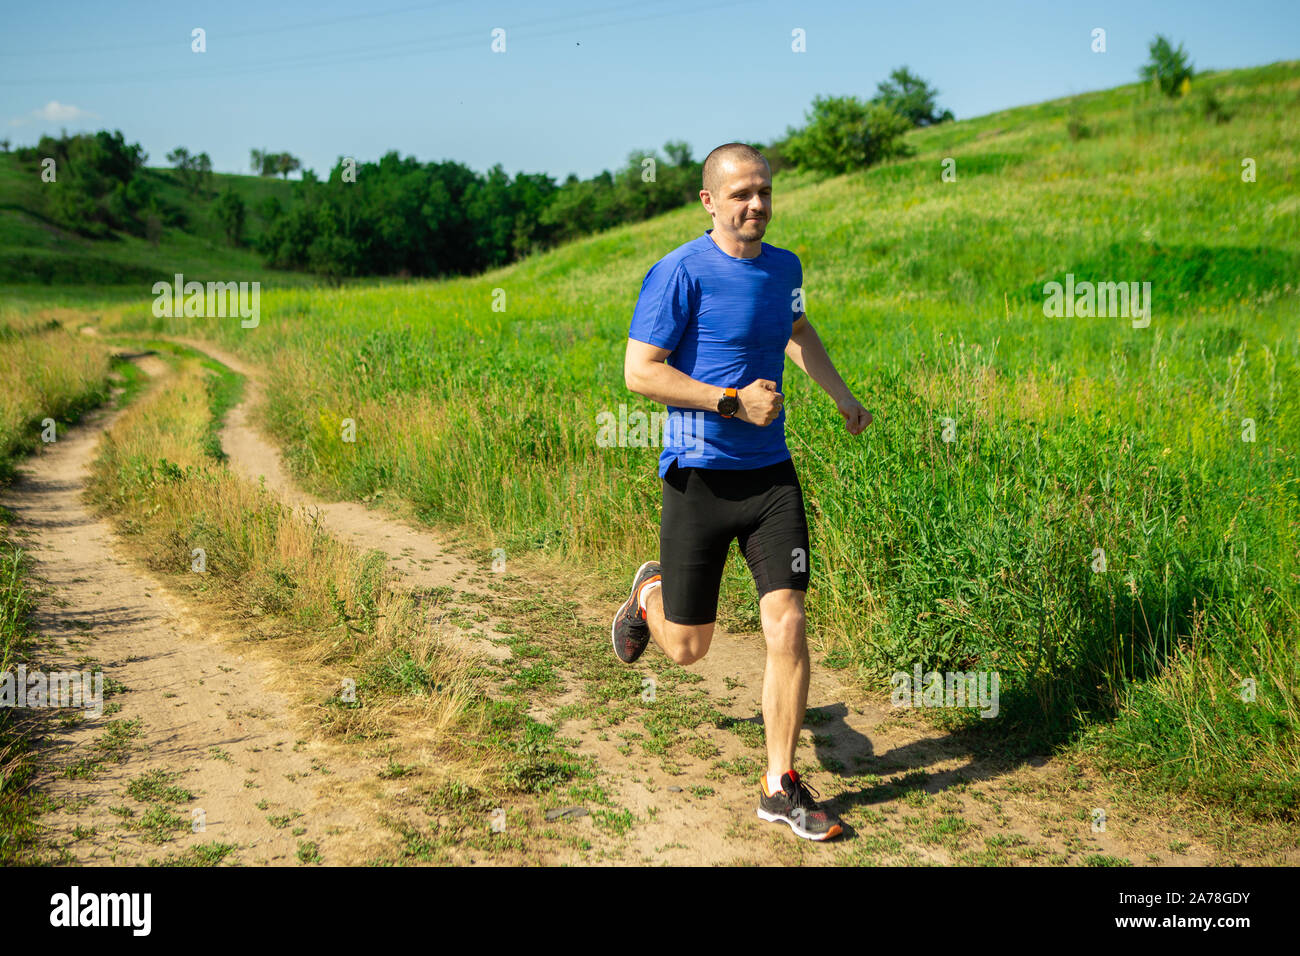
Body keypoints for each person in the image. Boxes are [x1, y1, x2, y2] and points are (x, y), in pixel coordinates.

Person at [611, 142, 871, 841]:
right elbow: (640, 372)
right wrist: (729, 402)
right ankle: (647, 596)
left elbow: (795, 330)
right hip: (698, 478)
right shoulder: (677, 274)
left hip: (770, 479)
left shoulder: (784, 268)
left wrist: (842, 397)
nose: (755, 205)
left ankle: (777, 784)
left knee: (787, 622)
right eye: (739, 195)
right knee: (689, 649)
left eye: (763, 192)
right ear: (709, 202)